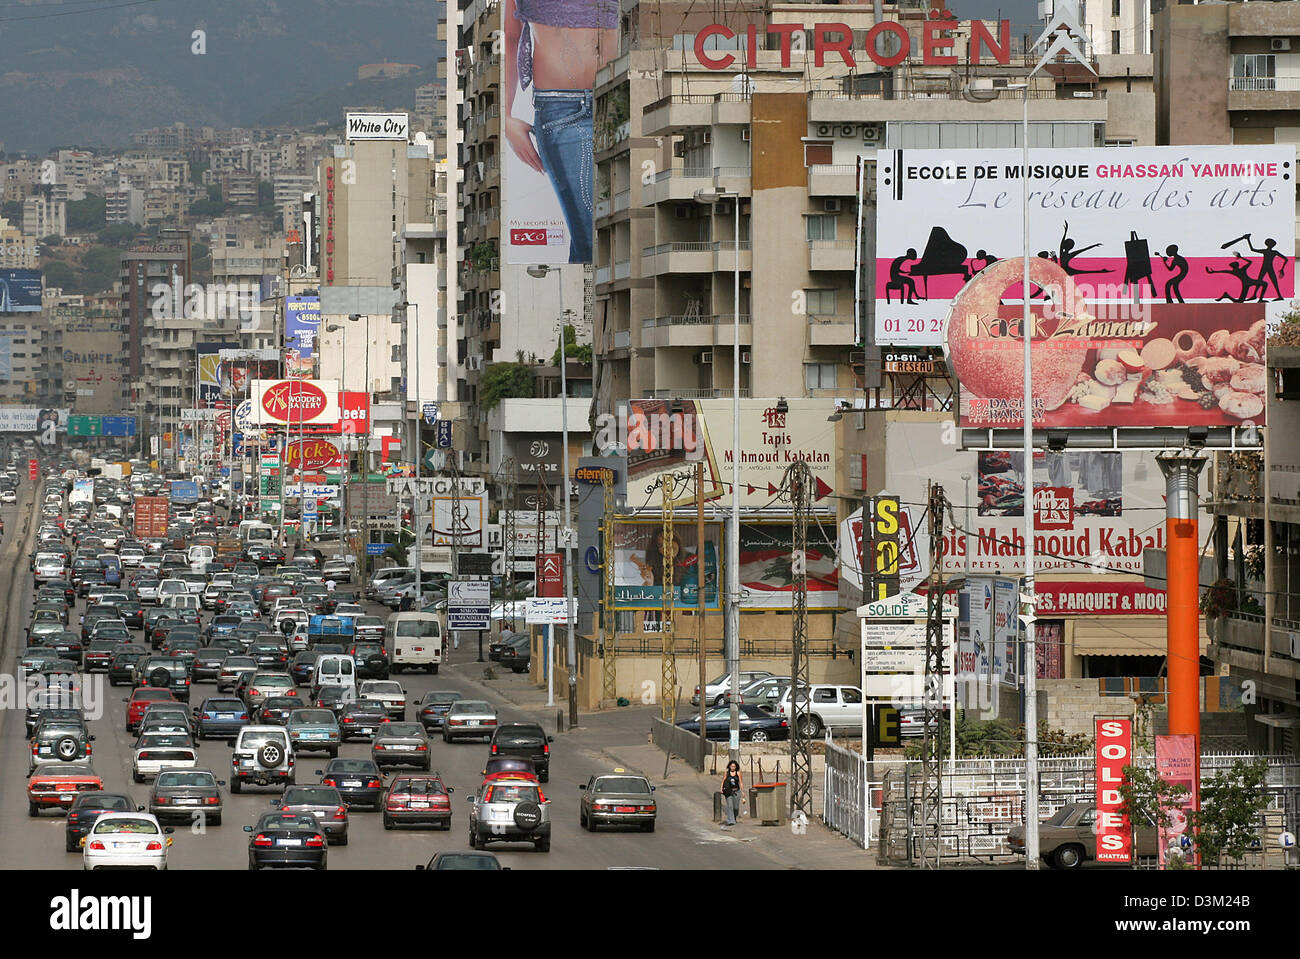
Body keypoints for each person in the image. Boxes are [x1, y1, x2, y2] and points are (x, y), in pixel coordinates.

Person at [503, 0, 617, 264]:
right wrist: (505, 119)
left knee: (620, 233)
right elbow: (510, 36)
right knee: (592, 239)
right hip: (562, 110)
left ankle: (584, 304)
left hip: (623, 95)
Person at [720, 759, 744, 829]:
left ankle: (734, 817)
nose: (733, 768)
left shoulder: (738, 773)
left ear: (736, 767)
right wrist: (721, 788)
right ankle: (731, 821)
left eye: (734, 766)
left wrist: (742, 792)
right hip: (728, 791)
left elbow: (741, 782)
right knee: (730, 806)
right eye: (731, 766)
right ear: (729, 766)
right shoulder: (726, 773)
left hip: (737, 791)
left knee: (735, 807)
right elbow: (723, 781)